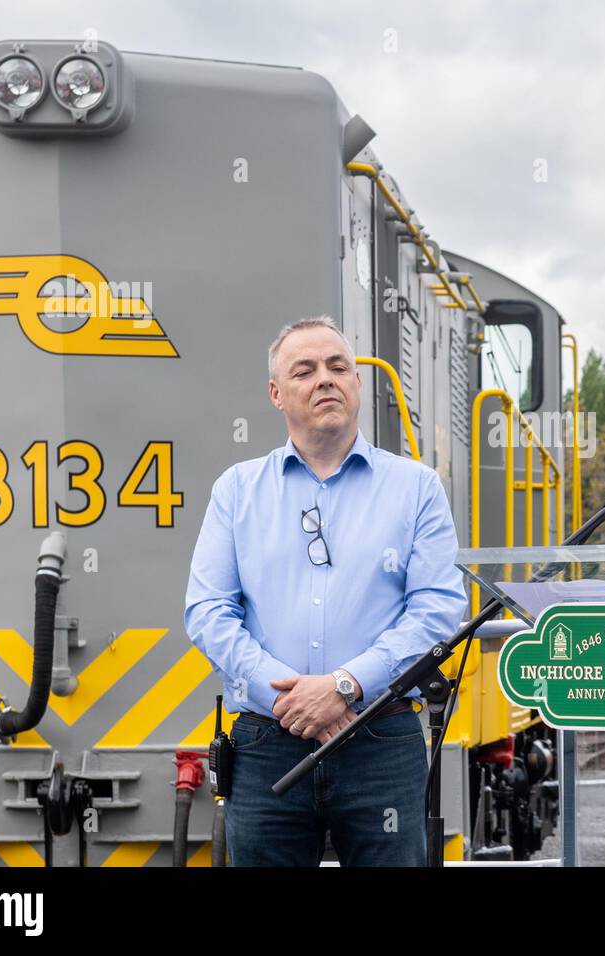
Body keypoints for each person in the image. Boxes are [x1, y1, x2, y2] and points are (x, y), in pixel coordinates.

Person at [184, 316, 466, 866]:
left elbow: (437, 609)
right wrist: (292, 701)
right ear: (276, 394)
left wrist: (345, 686)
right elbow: (208, 611)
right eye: (305, 370)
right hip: (267, 744)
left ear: (357, 383)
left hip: (381, 742)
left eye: (339, 367)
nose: (325, 380)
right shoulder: (237, 491)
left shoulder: (416, 489)